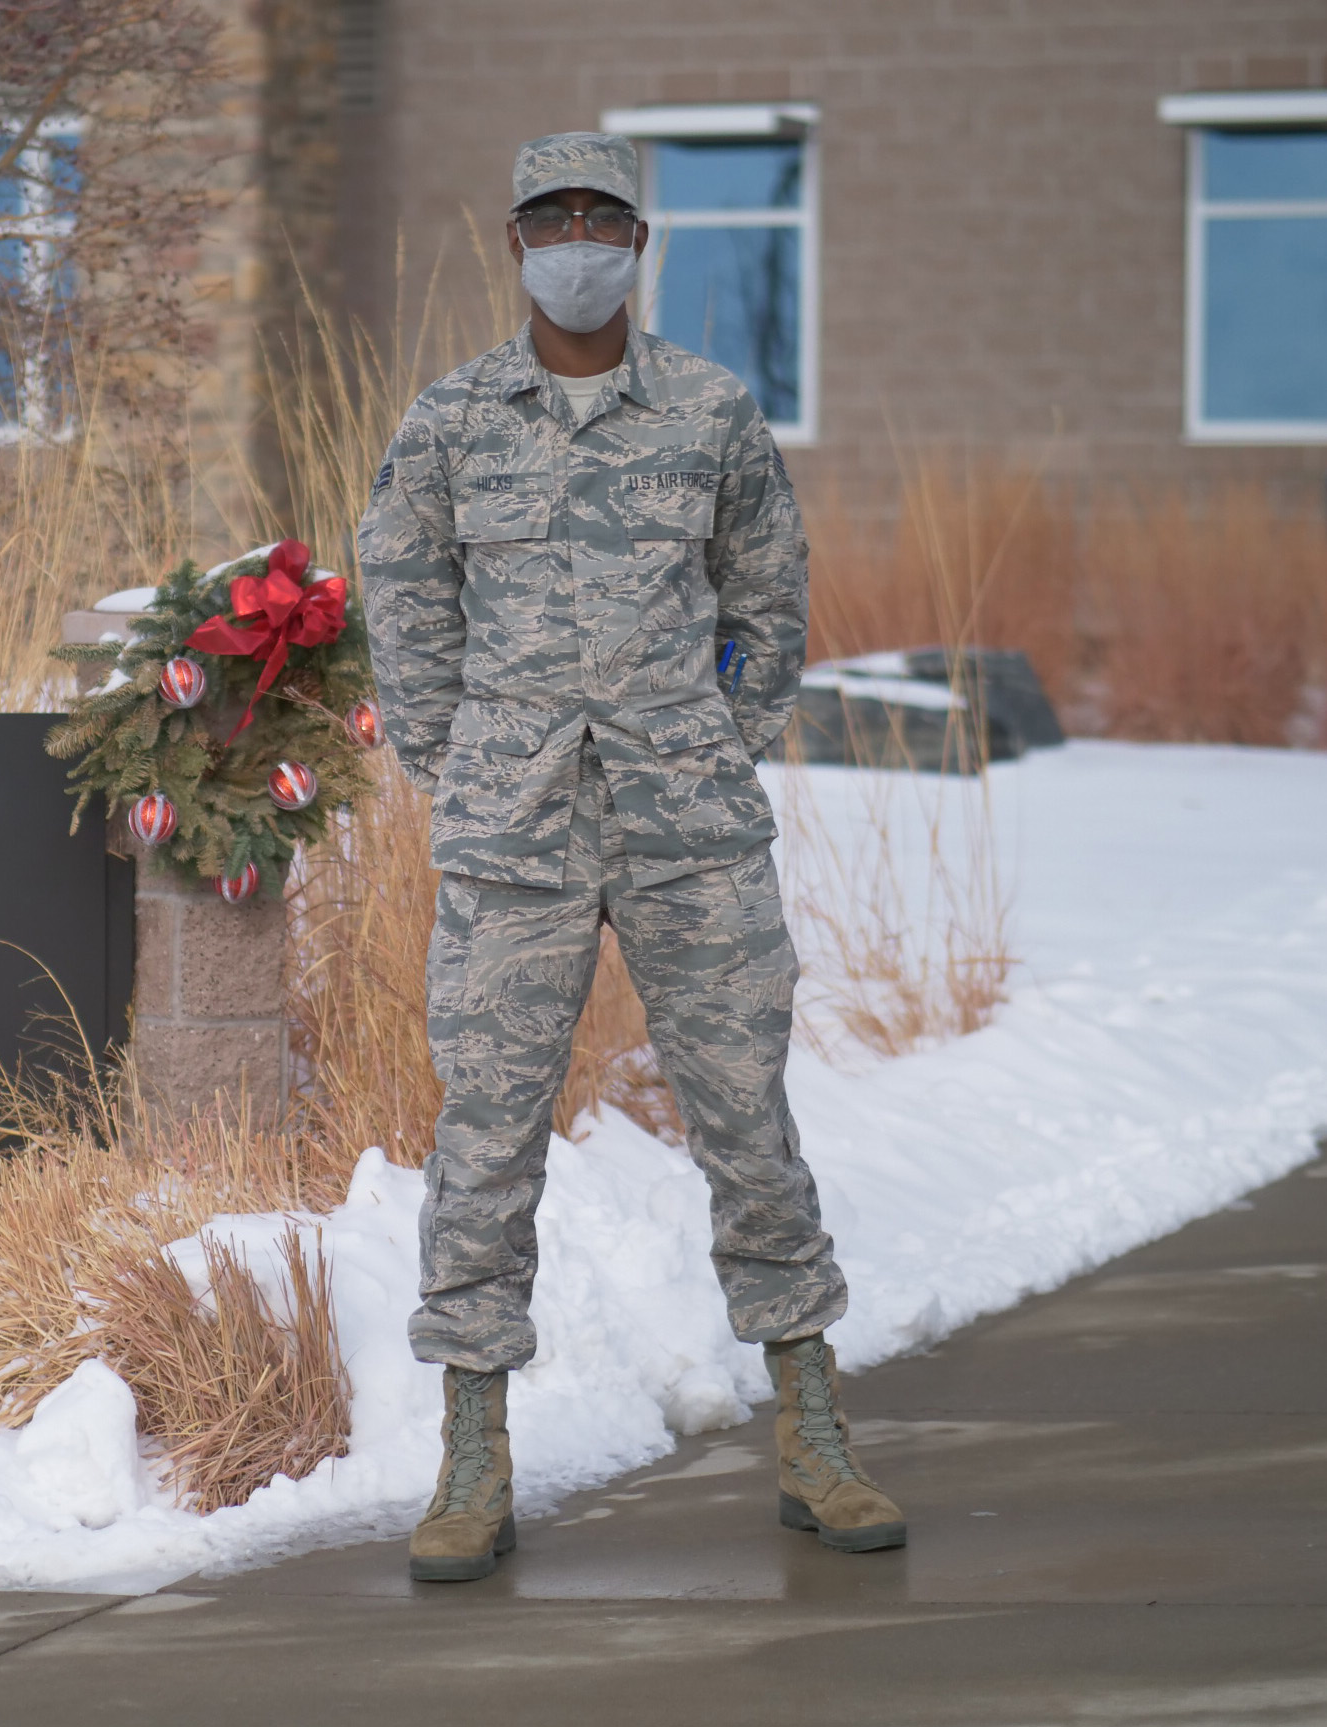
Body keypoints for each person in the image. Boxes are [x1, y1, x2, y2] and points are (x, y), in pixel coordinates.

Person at [355, 131, 903, 1583]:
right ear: (516, 242)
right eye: (553, 217)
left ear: (638, 242)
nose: (579, 238)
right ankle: (471, 1461)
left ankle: (811, 1436)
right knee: (483, 1140)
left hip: (687, 830)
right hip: (513, 833)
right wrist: (453, 758)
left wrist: (706, 738)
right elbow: (400, 596)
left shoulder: (711, 414)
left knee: (746, 1120)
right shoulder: (456, 419)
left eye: (603, 215)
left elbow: (767, 595)